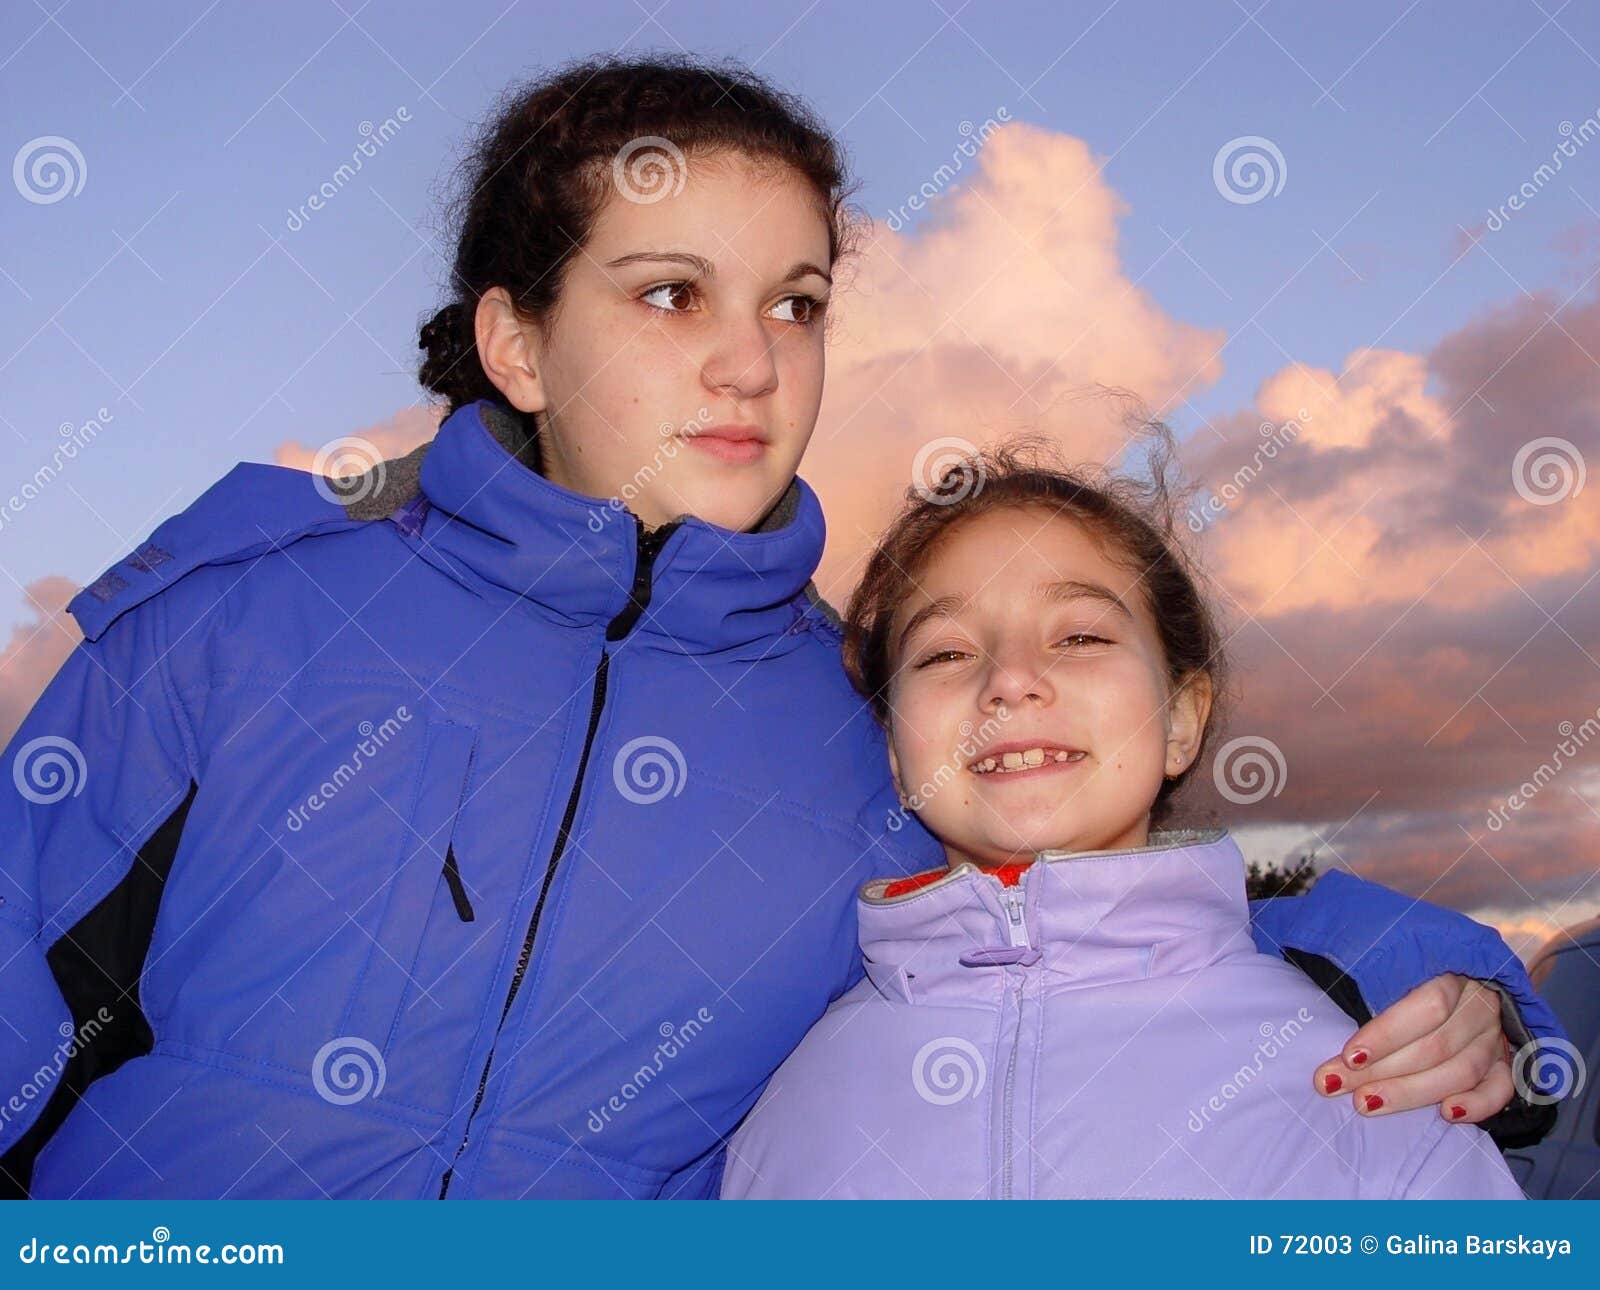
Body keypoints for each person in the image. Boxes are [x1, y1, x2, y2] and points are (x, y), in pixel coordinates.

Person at [0, 56, 1561, 1200]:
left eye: (798, 302)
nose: (753, 365)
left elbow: (1111, 919)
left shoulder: (860, 716)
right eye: (673, 296)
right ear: (518, 342)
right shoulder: (244, 613)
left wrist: (1456, 982)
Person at [722, 442, 1531, 1199]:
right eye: (945, 653)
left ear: (1181, 717)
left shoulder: (1369, 1074)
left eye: (1078, 635)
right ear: (896, 752)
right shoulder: (779, 1098)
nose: (1010, 679)